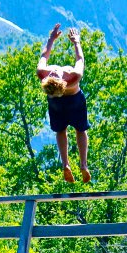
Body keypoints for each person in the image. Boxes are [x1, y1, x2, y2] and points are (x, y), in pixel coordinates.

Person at [37, 23, 91, 183]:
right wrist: (76, 42)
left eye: (52, 73)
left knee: (60, 131)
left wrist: (51, 39)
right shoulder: (73, 77)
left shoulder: (42, 75)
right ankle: (83, 165)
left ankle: (66, 164)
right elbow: (80, 59)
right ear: (60, 80)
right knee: (81, 130)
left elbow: (44, 56)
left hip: (56, 103)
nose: (53, 71)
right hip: (75, 101)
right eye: (53, 73)